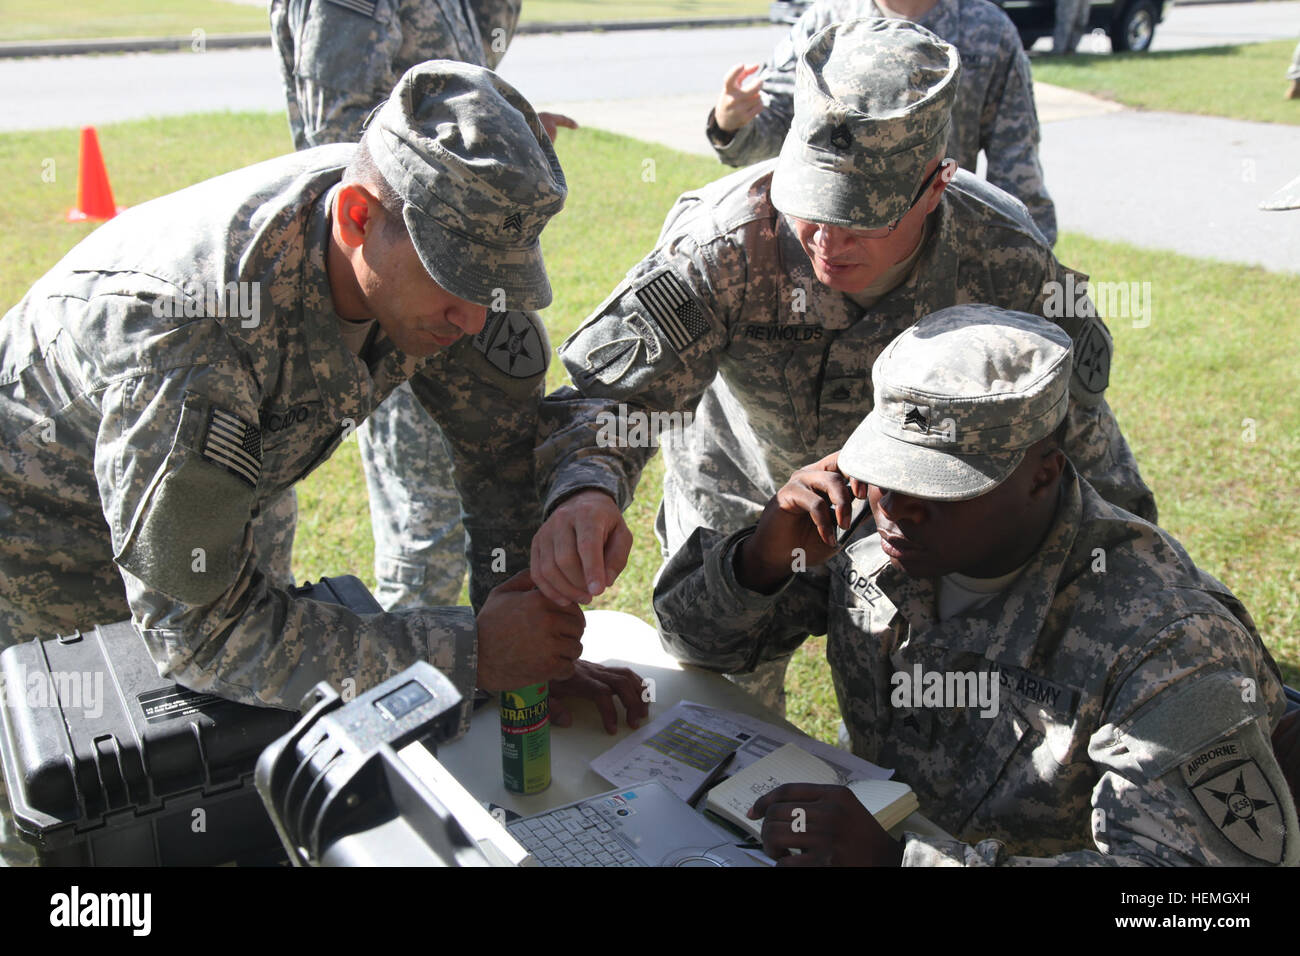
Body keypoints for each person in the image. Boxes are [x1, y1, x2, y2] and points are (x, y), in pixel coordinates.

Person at [0, 63, 644, 864]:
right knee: (95, 786)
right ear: (356, 217)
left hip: (222, 473)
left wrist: (524, 651)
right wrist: (472, 653)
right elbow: (201, 634)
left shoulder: (436, 239)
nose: (474, 315)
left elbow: (504, 457)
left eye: (496, 286)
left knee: (254, 755)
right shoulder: (188, 339)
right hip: (43, 519)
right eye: (455, 279)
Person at [530, 18, 1155, 714]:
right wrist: (587, 490)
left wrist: (1141, 579)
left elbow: (1080, 433)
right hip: (744, 516)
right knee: (716, 721)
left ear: (937, 184)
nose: (827, 241)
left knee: (910, 732)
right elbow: (607, 399)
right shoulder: (724, 240)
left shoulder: (1004, 255)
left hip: (913, 533)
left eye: (861, 218)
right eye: (812, 207)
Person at [654, 306, 1298, 866]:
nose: (897, 506)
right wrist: (760, 562)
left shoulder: (1167, 643)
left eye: (940, 486)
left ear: (1044, 475)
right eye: (886, 470)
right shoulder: (862, 527)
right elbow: (698, 645)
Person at [269, 0, 577, 611]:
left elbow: (463, 92)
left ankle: (483, 675)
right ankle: (423, 687)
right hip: (395, 270)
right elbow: (342, 140)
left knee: (494, 483)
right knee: (424, 523)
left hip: (458, 261)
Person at [708, 0, 1057, 245]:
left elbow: (1016, 166)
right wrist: (731, 123)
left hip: (936, 248)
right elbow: (778, 134)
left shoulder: (989, 32)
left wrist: (1025, 256)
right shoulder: (827, 21)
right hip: (828, 245)